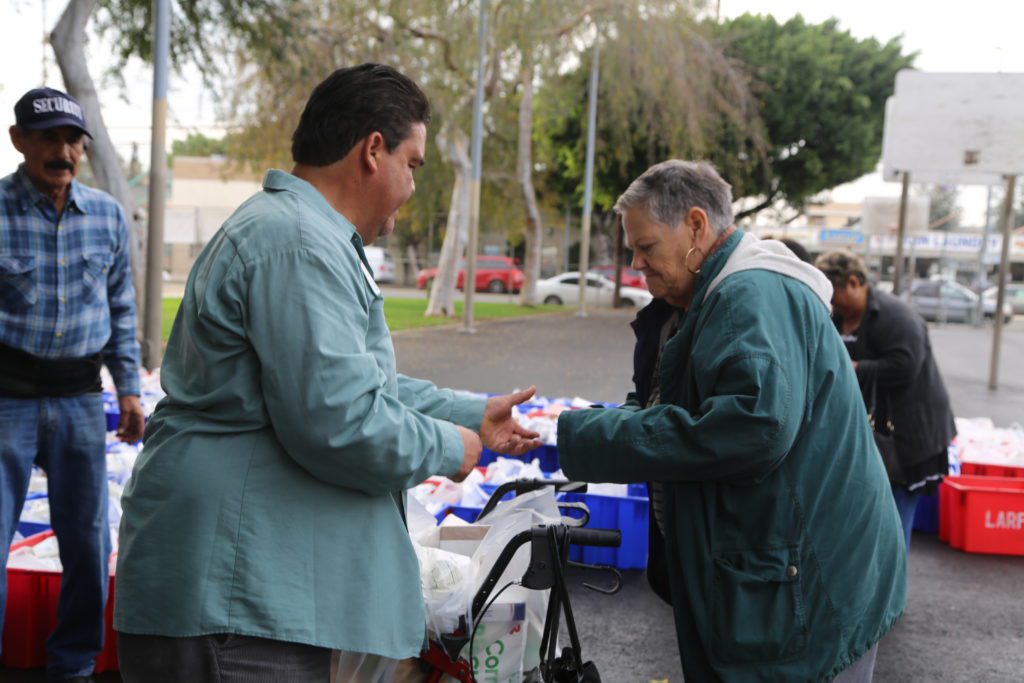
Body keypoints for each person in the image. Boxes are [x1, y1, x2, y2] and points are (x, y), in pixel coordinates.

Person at [113, 64, 541, 682]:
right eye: (412, 165)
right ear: (373, 151)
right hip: (234, 599)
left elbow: (352, 383)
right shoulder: (298, 243)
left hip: (239, 591)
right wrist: (452, 446)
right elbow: (339, 421)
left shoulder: (299, 233)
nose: (411, 186)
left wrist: (469, 414)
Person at [556, 160, 906, 682]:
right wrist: (597, 428)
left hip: (809, 589)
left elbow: (754, 427)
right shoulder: (708, 292)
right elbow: (670, 402)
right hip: (791, 573)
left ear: (696, 226)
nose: (636, 263)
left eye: (646, 246)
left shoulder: (747, 296)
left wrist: (586, 437)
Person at [0, 87, 144, 683]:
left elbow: (121, 309)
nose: (62, 152)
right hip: (7, 398)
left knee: (87, 541)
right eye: (48, 139)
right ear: (18, 141)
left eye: (72, 141)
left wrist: (129, 387)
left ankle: (74, 665)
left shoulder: (107, 216)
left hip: (81, 399)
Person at [816, 250, 955, 549]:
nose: (833, 304)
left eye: (835, 295)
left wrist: (854, 368)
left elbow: (906, 366)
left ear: (854, 282)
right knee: (866, 518)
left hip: (909, 433)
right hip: (873, 431)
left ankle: (893, 575)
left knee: (894, 518)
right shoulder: (838, 316)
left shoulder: (896, 317)